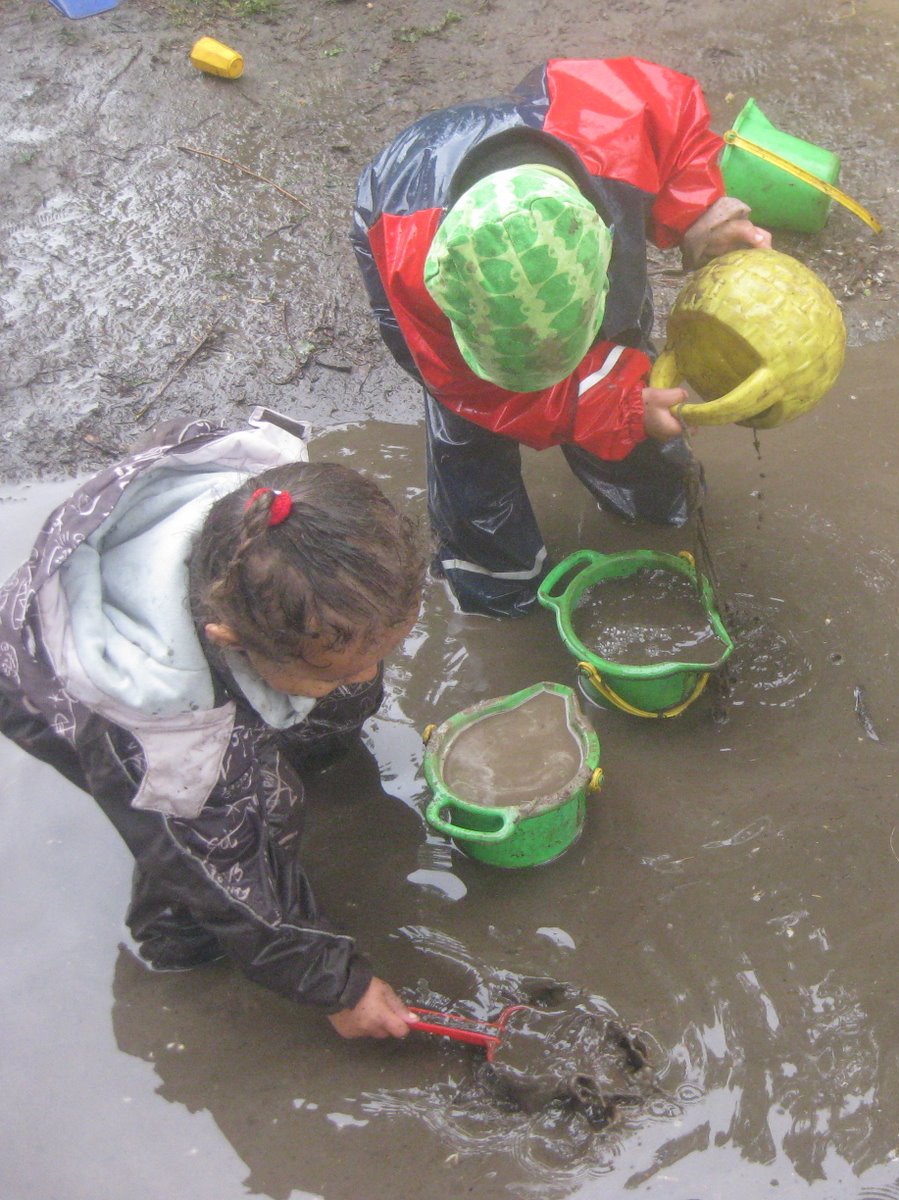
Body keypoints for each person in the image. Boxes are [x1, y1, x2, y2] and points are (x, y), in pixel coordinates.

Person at [0, 414, 429, 1039]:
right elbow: (228, 867)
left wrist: (338, 680)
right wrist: (335, 982)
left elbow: (338, 652)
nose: (367, 676)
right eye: (343, 668)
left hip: (162, 613)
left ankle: (312, 741)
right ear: (234, 644)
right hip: (58, 691)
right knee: (201, 839)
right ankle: (179, 941)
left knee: (314, 725)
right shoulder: (168, 740)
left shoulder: (278, 526)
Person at [351, 56, 772, 618]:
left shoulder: (605, 123)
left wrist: (699, 211)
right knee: (471, 426)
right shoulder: (416, 272)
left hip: (570, 188)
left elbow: (672, 116)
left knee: (621, 357)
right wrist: (616, 409)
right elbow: (483, 394)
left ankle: (651, 498)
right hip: (405, 207)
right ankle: (497, 577)